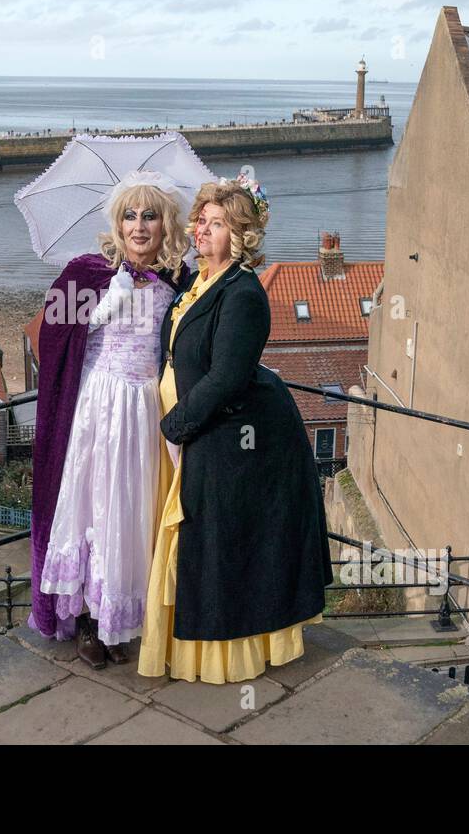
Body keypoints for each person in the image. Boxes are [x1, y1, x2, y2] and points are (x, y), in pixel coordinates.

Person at [137, 175, 335, 684]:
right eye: (200, 219)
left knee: (216, 544)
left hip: (227, 436)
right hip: (194, 432)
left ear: (241, 234)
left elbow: (227, 377)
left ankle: (225, 655)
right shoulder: (195, 281)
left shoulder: (243, 294)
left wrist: (173, 426)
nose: (202, 228)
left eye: (217, 222)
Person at [29, 171, 193, 668]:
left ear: (166, 226)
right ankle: (82, 623)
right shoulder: (88, 271)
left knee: (129, 515)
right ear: (116, 223)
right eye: (129, 215)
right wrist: (107, 300)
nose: (139, 226)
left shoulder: (178, 279)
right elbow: (51, 334)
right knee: (92, 508)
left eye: (150, 216)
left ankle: (114, 622)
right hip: (98, 408)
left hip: (145, 410)